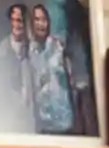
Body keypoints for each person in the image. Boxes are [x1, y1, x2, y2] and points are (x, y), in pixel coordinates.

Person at [26, 4, 74, 133]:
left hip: (63, 123)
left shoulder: (59, 48)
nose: (41, 24)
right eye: (37, 20)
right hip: (42, 124)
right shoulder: (29, 52)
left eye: (44, 20)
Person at [0, 4, 34, 132]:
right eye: (14, 20)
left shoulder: (34, 49)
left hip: (32, 117)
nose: (18, 25)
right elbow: (0, 88)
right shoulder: (2, 52)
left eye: (21, 21)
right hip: (10, 118)